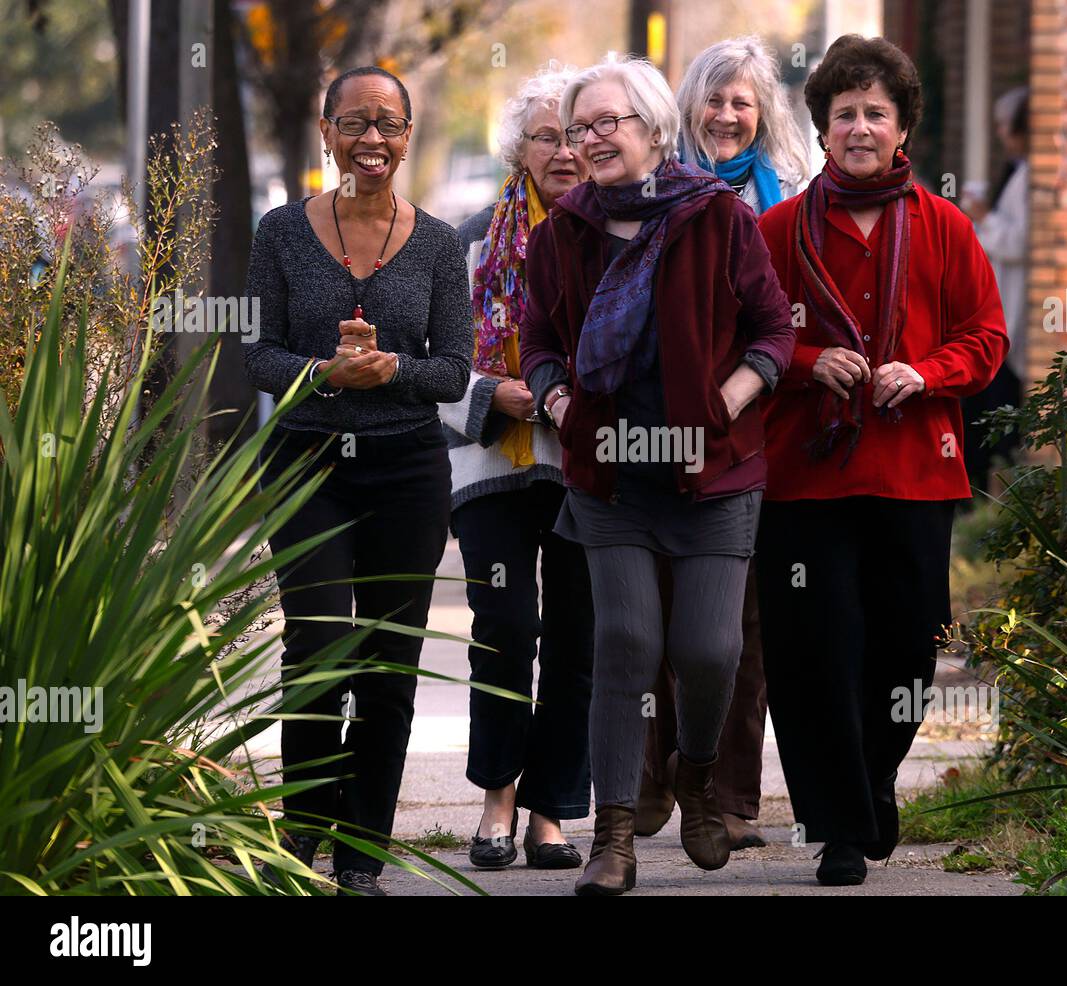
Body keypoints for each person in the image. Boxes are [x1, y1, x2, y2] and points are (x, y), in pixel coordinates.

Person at [519, 56, 796, 895]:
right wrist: (560, 403)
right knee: (627, 643)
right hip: (609, 476)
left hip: (711, 472)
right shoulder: (559, 234)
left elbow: (773, 329)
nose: (591, 139)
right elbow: (536, 345)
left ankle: (699, 776)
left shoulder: (715, 218)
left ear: (651, 129)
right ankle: (614, 840)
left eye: (609, 123)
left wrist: (731, 396)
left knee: (709, 650)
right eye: (579, 128)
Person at [754, 35, 1008, 886]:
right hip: (806, 477)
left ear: (902, 130)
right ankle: (838, 826)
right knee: (813, 648)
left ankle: (874, 783)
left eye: (876, 114)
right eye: (844, 115)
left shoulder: (944, 227)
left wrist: (927, 371)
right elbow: (739, 339)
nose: (859, 128)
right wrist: (801, 362)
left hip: (914, 471)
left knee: (903, 647)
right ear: (822, 129)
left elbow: (988, 340)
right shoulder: (779, 228)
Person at [244, 65, 473, 896]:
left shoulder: (441, 244)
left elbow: (453, 372)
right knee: (315, 647)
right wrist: (326, 374)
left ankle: (361, 856)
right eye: (353, 122)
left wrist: (390, 372)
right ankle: (301, 839)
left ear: (408, 135)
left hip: (407, 470)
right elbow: (256, 353)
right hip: (307, 466)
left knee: (389, 661)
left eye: (388, 122)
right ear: (326, 131)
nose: (370, 138)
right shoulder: (280, 232)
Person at [632, 36, 811, 852]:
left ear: (764, 112)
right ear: (688, 108)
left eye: (743, 102)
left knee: (739, 628)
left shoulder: (790, 204)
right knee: (654, 619)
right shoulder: (650, 195)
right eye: (714, 98)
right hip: (661, 434)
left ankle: (731, 795)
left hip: (763, 435)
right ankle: (648, 785)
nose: (728, 114)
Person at [445, 62, 594, 870]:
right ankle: (498, 794)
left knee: (578, 636)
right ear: (519, 149)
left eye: (578, 133)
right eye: (548, 135)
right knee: (505, 629)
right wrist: (489, 393)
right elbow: (429, 365)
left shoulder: (622, 237)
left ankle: (552, 811)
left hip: (585, 468)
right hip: (489, 467)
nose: (566, 149)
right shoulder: (466, 242)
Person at [962, 85, 1029, 499]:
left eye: (1006, 125)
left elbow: (1019, 243)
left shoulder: (1029, 178)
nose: (1002, 134)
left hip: (1011, 320)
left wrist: (984, 217)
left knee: (995, 421)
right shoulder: (1018, 174)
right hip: (999, 315)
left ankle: (987, 505)